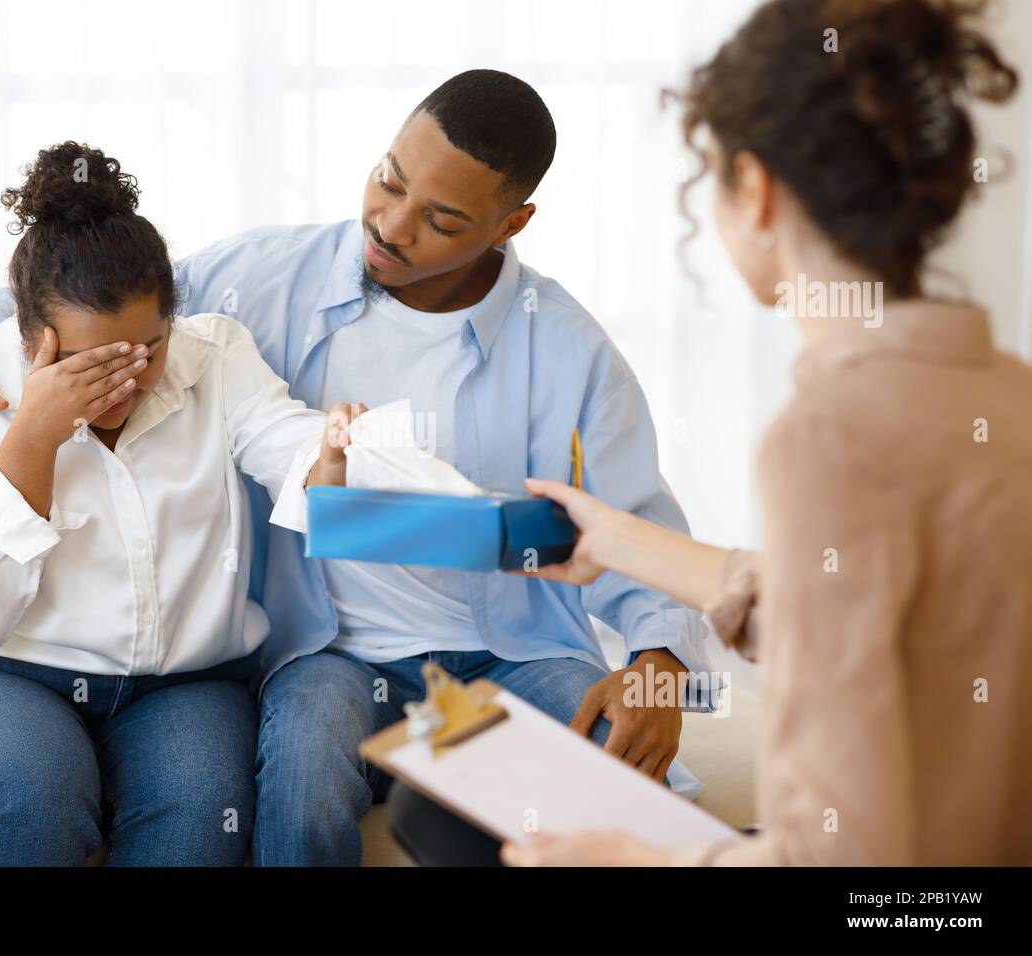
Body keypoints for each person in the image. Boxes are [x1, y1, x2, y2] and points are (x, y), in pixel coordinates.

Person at [0, 71, 719, 866]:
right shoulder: (261, 279)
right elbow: (90, 288)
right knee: (281, 776)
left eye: (442, 221)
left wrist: (660, 663)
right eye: (388, 181)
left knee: (615, 767)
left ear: (510, 225)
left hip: (509, 652)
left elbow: (636, 525)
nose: (391, 225)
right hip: (333, 656)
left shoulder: (567, 349)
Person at [401, 0, 1032, 867]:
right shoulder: (1004, 391)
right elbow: (864, 609)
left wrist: (636, 862)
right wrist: (618, 541)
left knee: (451, 820)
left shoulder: (831, 436)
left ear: (756, 189)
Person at [0, 142, 356, 865]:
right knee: (35, 792)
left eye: (146, 351)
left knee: (200, 815)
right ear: (30, 334)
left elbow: (291, 448)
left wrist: (334, 456)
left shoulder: (214, 357)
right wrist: (32, 440)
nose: (126, 385)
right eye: (93, 363)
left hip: (177, 685)